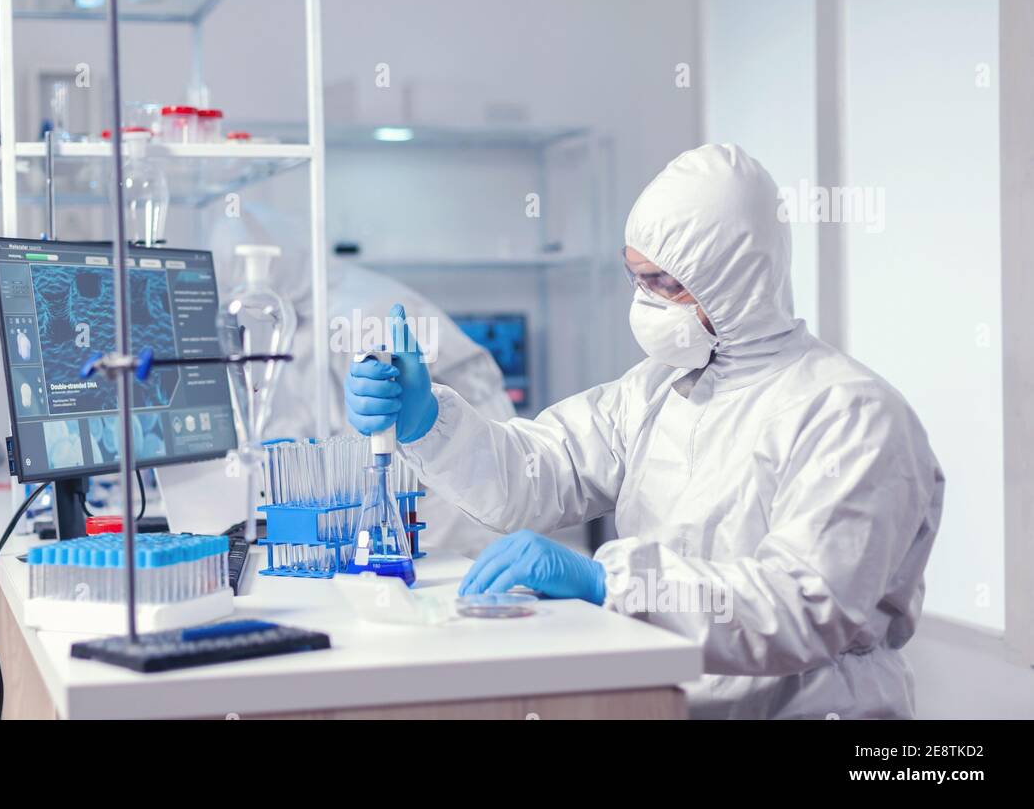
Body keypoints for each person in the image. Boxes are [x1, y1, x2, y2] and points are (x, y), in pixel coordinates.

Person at [344, 144, 944, 719]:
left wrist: (611, 582)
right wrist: (429, 424)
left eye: (666, 284)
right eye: (637, 280)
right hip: (665, 699)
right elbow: (543, 468)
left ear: (735, 279)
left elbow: (801, 607)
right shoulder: (657, 387)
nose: (646, 303)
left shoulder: (849, 414)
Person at [207, 203, 517, 556]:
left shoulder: (359, 311)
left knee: (441, 581)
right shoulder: (305, 315)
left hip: (453, 477)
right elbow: (326, 411)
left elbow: (379, 421)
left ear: (282, 260)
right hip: (413, 472)